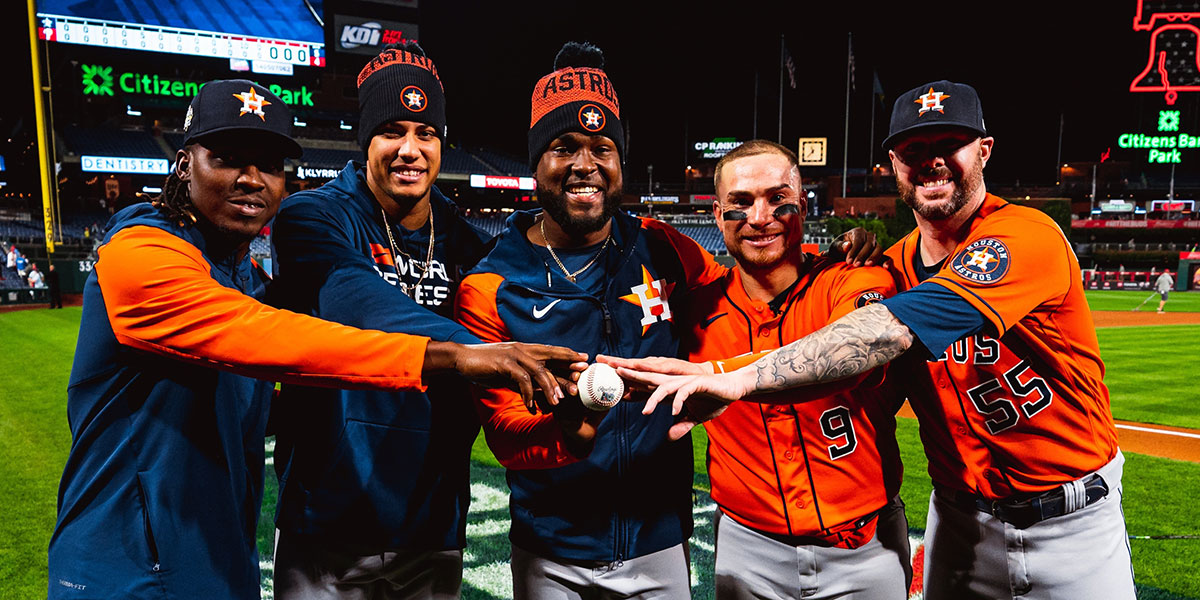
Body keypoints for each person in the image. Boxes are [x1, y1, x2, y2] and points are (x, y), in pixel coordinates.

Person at [48, 79, 581, 600]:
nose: (251, 179)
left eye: (271, 165)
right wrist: (454, 355)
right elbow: (261, 336)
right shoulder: (139, 252)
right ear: (185, 163)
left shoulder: (246, 278)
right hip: (121, 569)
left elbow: (245, 398)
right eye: (229, 157)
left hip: (216, 557)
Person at [622, 81, 1134, 600]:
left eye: (948, 145)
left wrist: (729, 375)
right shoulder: (890, 267)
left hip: (1073, 519)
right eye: (915, 151)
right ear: (893, 163)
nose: (932, 162)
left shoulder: (1024, 235)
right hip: (959, 522)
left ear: (984, 150)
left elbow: (883, 333)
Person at [454, 41, 729, 599]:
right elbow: (503, 434)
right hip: (551, 553)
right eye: (564, 147)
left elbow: (746, 298)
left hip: (661, 542)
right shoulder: (489, 287)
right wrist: (567, 433)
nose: (586, 165)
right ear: (537, 163)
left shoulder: (665, 247)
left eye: (603, 147)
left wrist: (828, 262)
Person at [603, 140, 910, 599]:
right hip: (748, 548)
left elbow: (867, 347)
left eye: (777, 199)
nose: (760, 217)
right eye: (740, 203)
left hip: (866, 548)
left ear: (803, 205)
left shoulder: (855, 277)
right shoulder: (694, 306)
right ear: (717, 215)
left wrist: (726, 374)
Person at [269, 42, 516, 599]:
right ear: (365, 141)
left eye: (426, 133)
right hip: (324, 519)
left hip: (430, 522)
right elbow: (354, 300)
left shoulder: (471, 243)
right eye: (392, 130)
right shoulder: (313, 215)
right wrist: (474, 354)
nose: (410, 149)